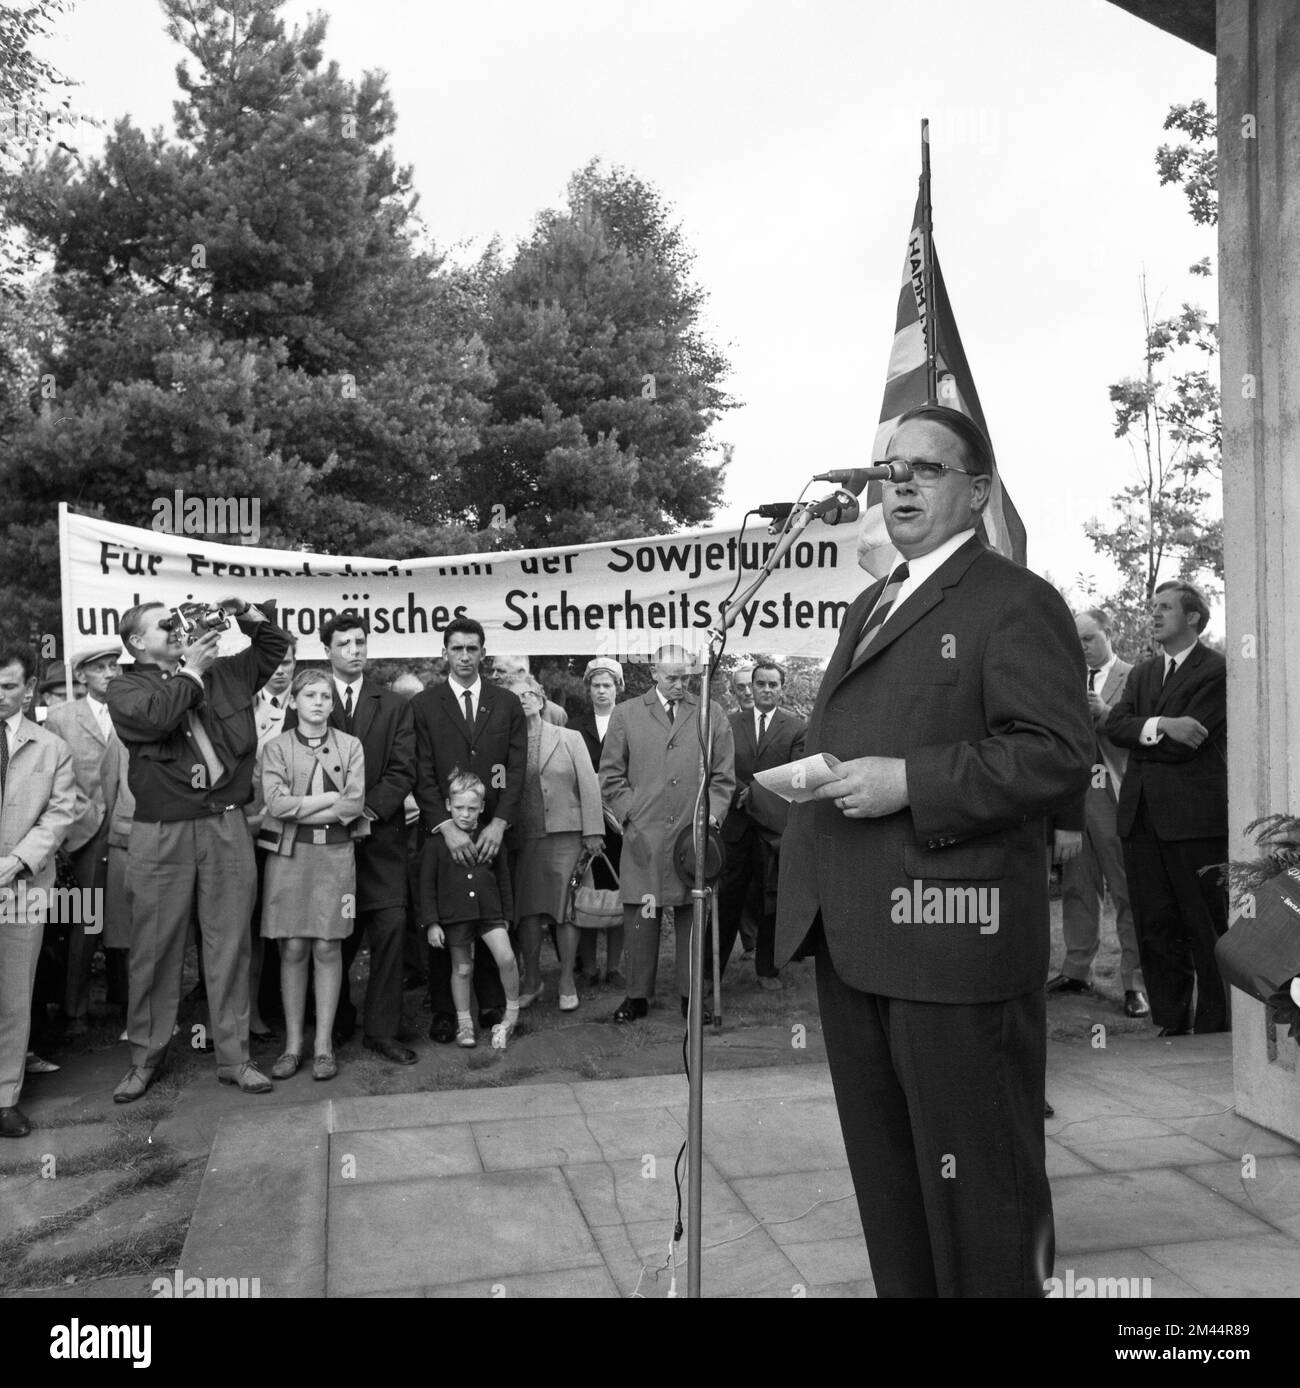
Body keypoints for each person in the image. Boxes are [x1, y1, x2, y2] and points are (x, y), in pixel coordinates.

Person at [775, 404, 1094, 1297]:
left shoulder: (1015, 601)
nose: (899, 483)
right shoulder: (874, 600)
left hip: (955, 944)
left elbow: (1057, 754)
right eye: (887, 469)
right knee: (893, 1188)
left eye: (924, 467)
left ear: (978, 492)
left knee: (981, 1200)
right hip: (859, 935)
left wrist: (911, 780)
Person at [106, 597, 290, 1102]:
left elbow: (275, 645)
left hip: (224, 825)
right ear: (138, 642)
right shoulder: (125, 688)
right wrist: (191, 671)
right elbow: (159, 719)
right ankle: (145, 1059)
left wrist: (246, 612)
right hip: (161, 830)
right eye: (164, 624)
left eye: (177, 620)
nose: (176, 627)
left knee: (230, 942)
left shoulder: (227, 672)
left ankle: (235, 1058)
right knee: (155, 948)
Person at [288, 615, 417, 1064]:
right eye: (344, 643)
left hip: (381, 839)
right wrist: (336, 815)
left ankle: (382, 1031)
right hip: (325, 842)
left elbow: (404, 768)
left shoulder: (395, 704)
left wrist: (365, 811)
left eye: (361, 641)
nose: (355, 649)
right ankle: (335, 1022)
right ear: (328, 650)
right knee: (331, 935)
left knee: (390, 930)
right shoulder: (310, 700)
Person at [1105, 581, 1228, 1036]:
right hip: (1140, 820)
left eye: (1166, 608)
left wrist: (1147, 733)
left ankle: (1217, 1025)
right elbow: (1114, 726)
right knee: (1155, 926)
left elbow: (1188, 747)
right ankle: (1172, 1023)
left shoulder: (1217, 671)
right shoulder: (1141, 674)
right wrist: (1162, 724)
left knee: (1205, 926)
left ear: (1193, 617)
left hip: (1194, 824)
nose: (1153, 614)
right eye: (1152, 607)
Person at [599, 643, 735, 1023]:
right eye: (672, 677)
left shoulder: (710, 712)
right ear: (654, 674)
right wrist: (630, 816)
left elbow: (724, 776)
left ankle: (692, 999)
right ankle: (636, 995)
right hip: (645, 835)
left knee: (694, 913)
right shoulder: (626, 714)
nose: (680, 685)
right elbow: (610, 775)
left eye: (686, 677)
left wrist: (713, 817)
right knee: (642, 914)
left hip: (693, 834)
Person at [411, 618, 526, 1043]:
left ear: (483, 652)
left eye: (472, 648)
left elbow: (517, 770)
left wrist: (499, 822)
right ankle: (445, 1010)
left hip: (492, 829)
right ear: (445, 652)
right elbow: (420, 772)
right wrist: (444, 826)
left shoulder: (506, 703)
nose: (464, 656)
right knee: (448, 919)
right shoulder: (424, 705)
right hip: (445, 831)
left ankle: (493, 1002)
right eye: (456, 648)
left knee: (491, 914)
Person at [259, 670, 368, 1081]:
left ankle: (323, 1046)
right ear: (294, 701)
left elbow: (354, 804)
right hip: (290, 857)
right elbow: (274, 804)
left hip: (336, 855)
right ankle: (293, 1045)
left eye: (325, 695)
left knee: (328, 946)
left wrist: (306, 806)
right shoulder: (276, 748)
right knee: (293, 948)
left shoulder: (350, 745)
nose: (319, 702)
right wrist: (326, 799)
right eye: (310, 695)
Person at [1046, 609, 1149, 1018]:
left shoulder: (1135, 677)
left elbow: (1142, 734)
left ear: (1109, 633)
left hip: (1114, 792)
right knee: (1077, 884)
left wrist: (1104, 715)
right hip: (1073, 795)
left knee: (1125, 889)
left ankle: (1135, 983)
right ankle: (1076, 969)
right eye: (1078, 641)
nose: (1083, 647)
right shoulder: (1065, 679)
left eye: (1089, 638)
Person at [0, 645, 77, 1137]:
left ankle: (5, 1096)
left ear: (29, 690)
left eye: (7, 686)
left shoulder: (52, 747)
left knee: (12, 995)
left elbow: (61, 814)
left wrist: (14, 862)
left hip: (22, 887)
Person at [45, 645, 132, 1036]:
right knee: (84, 917)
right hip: (86, 833)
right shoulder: (62, 718)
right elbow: (55, 776)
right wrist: (83, 820)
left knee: (127, 914)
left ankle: (128, 1001)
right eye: (100, 668)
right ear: (81, 677)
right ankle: (74, 1009)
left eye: (115, 665)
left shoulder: (133, 709)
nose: (111, 673)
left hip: (131, 827)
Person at [507, 674, 605, 1011]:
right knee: (529, 913)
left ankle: (566, 980)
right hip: (525, 839)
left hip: (568, 837)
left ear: (541, 697)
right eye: (515, 695)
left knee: (567, 911)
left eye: (529, 693)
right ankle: (532, 981)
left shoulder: (569, 737)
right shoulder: (507, 743)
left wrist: (594, 831)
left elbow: (589, 786)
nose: (523, 699)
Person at [714, 659, 806, 991]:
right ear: (750, 687)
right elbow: (717, 767)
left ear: (782, 689)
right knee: (726, 902)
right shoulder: (727, 724)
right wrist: (740, 793)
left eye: (773, 684)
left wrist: (751, 793)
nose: (766, 689)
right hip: (736, 829)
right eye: (761, 683)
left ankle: (766, 969)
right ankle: (711, 975)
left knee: (771, 902)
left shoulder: (797, 728)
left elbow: (795, 776)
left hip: (772, 830)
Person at [421, 772, 520, 1048]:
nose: (465, 814)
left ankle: (512, 1012)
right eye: (459, 807)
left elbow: (503, 880)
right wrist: (432, 923)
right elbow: (426, 887)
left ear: (482, 808)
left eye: (472, 808)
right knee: (462, 968)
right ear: (448, 805)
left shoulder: (491, 838)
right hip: (455, 917)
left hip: (490, 913)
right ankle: (464, 1024)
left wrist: (507, 916)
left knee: (507, 958)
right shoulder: (435, 844)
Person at [571, 657, 626, 985]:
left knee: (620, 891)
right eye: (596, 685)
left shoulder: (630, 721)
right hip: (585, 822)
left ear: (618, 687)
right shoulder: (575, 726)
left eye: (607, 685)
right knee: (586, 894)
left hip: (620, 822)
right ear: (588, 688)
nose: (601, 691)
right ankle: (588, 966)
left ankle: (615, 966)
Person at [492, 655, 567, 725]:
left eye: (500, 671)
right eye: (493, 670)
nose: (493, 676)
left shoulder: (554, 714)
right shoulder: (488, 707)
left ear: (521, 673)